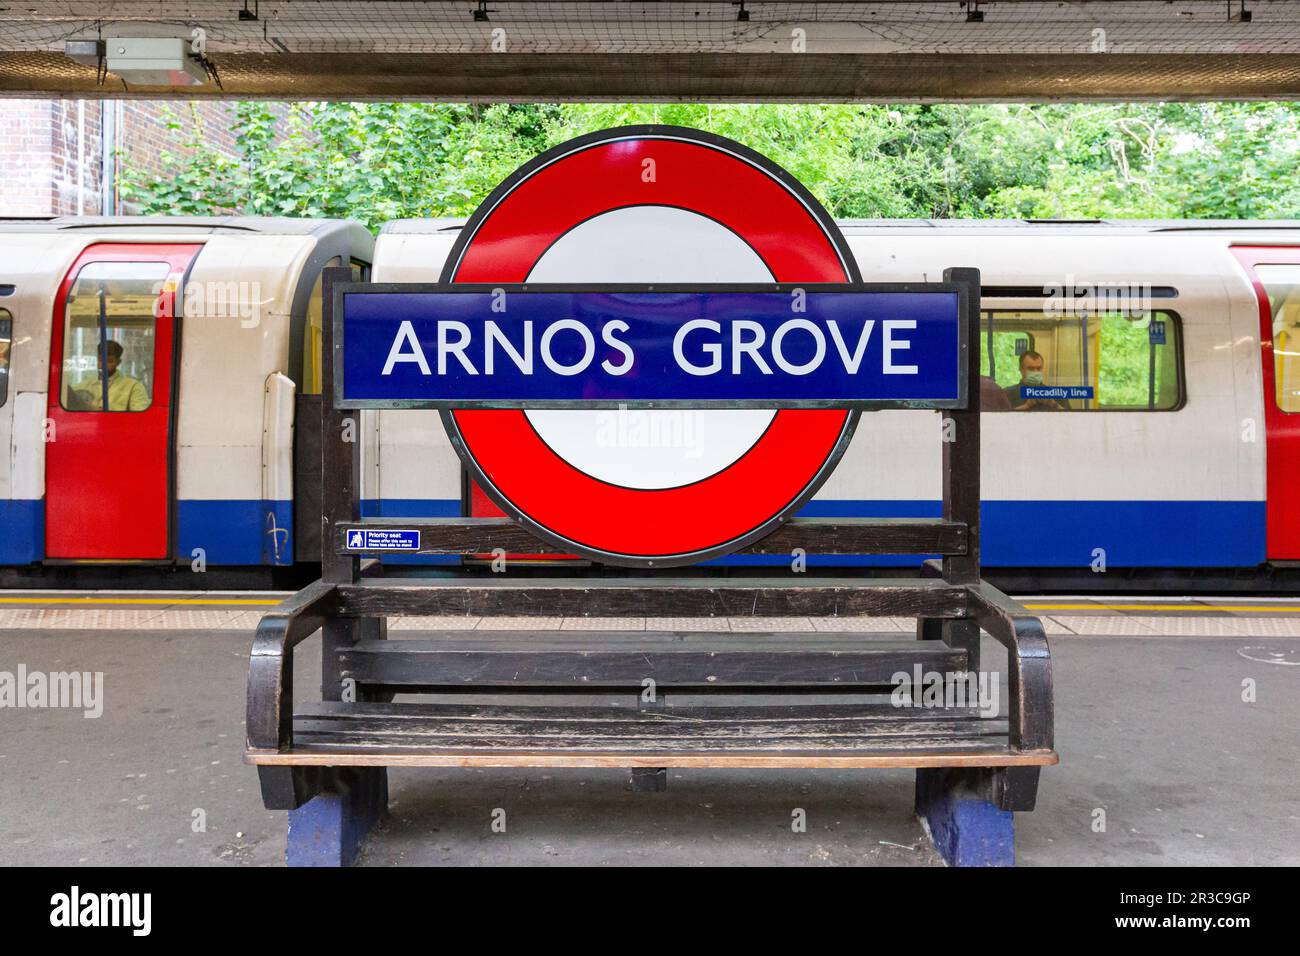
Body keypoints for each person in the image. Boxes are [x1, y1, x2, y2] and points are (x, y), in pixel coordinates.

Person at [70, 340, 150, 411]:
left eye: (110, 361)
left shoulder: (133, 387)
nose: (104, 365)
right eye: (101, 360)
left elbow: (140, 416)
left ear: (118, 362)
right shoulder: (84, 385)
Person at [1002, 349, 1068, 411]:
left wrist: (1054, 405)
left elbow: (1071, 419)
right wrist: (1026, 406)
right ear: (1021, 369)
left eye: (1039, 368)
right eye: (1031, 369)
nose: (1035, 372)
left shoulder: (1057, 395)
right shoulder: (1007, 394)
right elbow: (1000, 419)